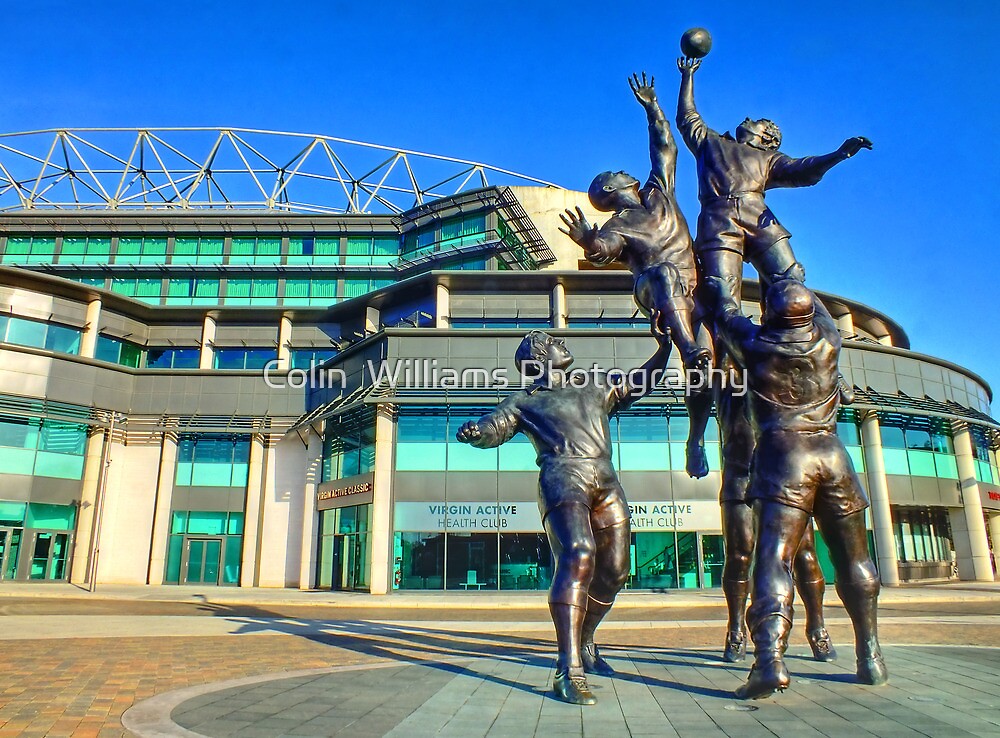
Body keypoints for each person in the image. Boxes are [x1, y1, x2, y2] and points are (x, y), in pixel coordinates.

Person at [456, 322, 670, 705]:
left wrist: (664, 348)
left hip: (605, 478)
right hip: (562, 477)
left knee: (616, 570)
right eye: (553, 342)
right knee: (579, 553)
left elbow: (637, 384)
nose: (562, 343)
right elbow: (495, 426)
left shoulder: (593, 385)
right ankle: (567, 669)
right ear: (539, 358)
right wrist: (477, 431)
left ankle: (585, 641)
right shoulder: (525, 401)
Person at [708, 277, 888, 699]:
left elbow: (723, 310)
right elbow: (820, 309)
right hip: (833, 455)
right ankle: (870, 656)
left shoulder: (755, 345)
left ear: (769, 314)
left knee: (773, 559)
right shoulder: (829, 340)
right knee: (855, 558)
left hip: (784, 455)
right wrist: (784, 271)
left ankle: (769, 660)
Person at [559, 72, 714, 478]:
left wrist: (653, 107)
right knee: (664, 274)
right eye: (615, 172)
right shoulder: (617, 225)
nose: (623, 169)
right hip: (653, 289)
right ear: (611, 189)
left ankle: (696, 439)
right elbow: (603, 251)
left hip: (694, 293)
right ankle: (687, 348)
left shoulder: (660, 192)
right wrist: (588, 242)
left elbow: (665, 147)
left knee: (707, 371)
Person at [676, 56, 872, 307]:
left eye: (757, 121)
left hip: (758, 216)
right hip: (718, 220)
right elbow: (687, 117)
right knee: (721, 294)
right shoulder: (711, 143)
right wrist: (687, 76)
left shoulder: (770, 159)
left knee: (791, 281)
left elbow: (802, 169)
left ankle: (790, 328)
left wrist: (838, 155)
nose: (748, 118)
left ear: (767, 137)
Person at [716, 372, 836, 665]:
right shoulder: (721, 374)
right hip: (740, 474)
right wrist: (693, 443)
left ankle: (817, 626)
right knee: (739, 555)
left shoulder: (776, 369)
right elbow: (698, 389)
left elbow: (840, 394)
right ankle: (736, 630)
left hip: (783, 476)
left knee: (805, 554)